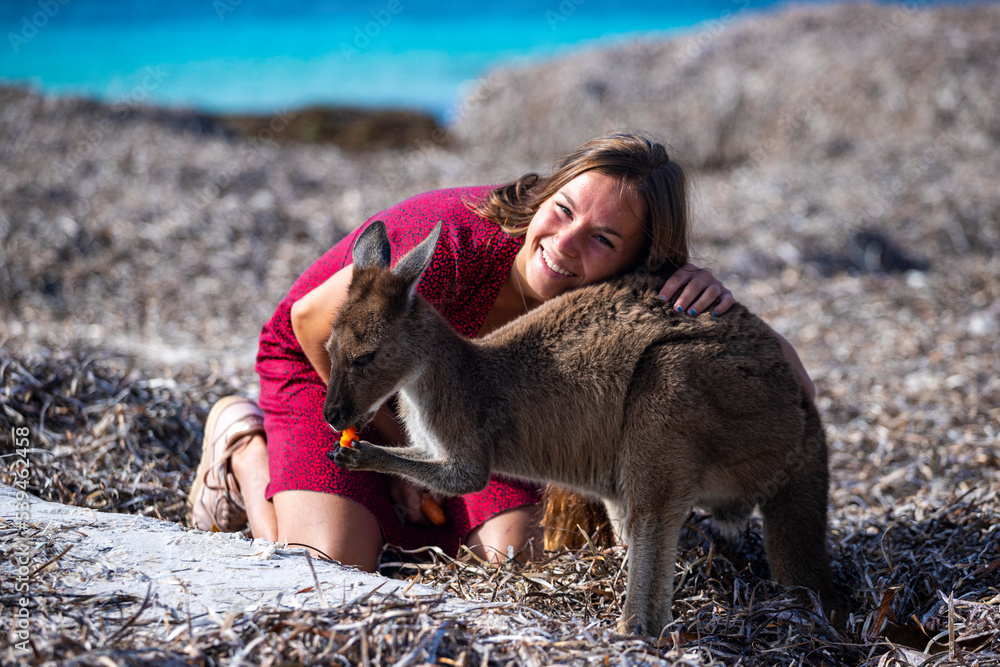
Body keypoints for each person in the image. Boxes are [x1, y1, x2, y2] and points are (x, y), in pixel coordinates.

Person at [187, 132, 815, 571]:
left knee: (515, 557)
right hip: (327, 366)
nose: (564, 245)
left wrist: (715, 303)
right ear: (545, 193)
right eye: (562, 209)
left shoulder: (630, 294)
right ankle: (245, 448)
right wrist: (400, 451)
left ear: (637, 261)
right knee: (331, 567)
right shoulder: (451, 250)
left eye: (602, 238)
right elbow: (310, 321)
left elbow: (790, 387)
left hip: (472, 402)